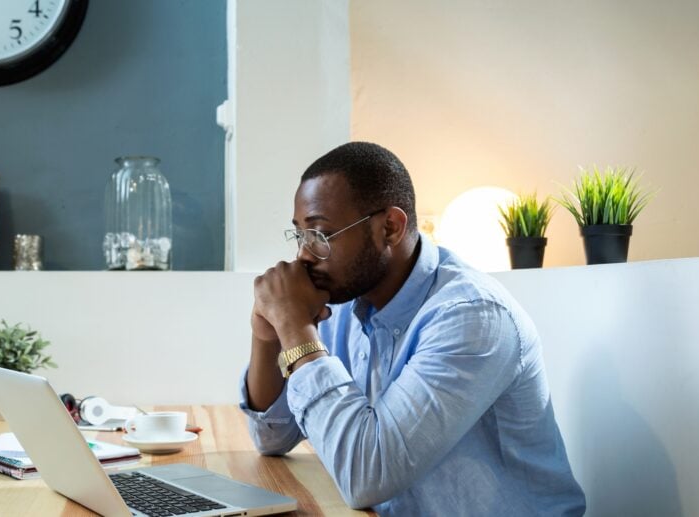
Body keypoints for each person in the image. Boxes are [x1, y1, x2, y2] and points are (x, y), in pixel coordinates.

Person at [240, 142, 586, 515]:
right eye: (300, 235)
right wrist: (268, 334)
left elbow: (365, 479)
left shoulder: (472, 318)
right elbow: (272, 436)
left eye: (321, 235)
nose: (305, 255)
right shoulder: (345, 302)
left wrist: (295, 328)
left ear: (390, 227)